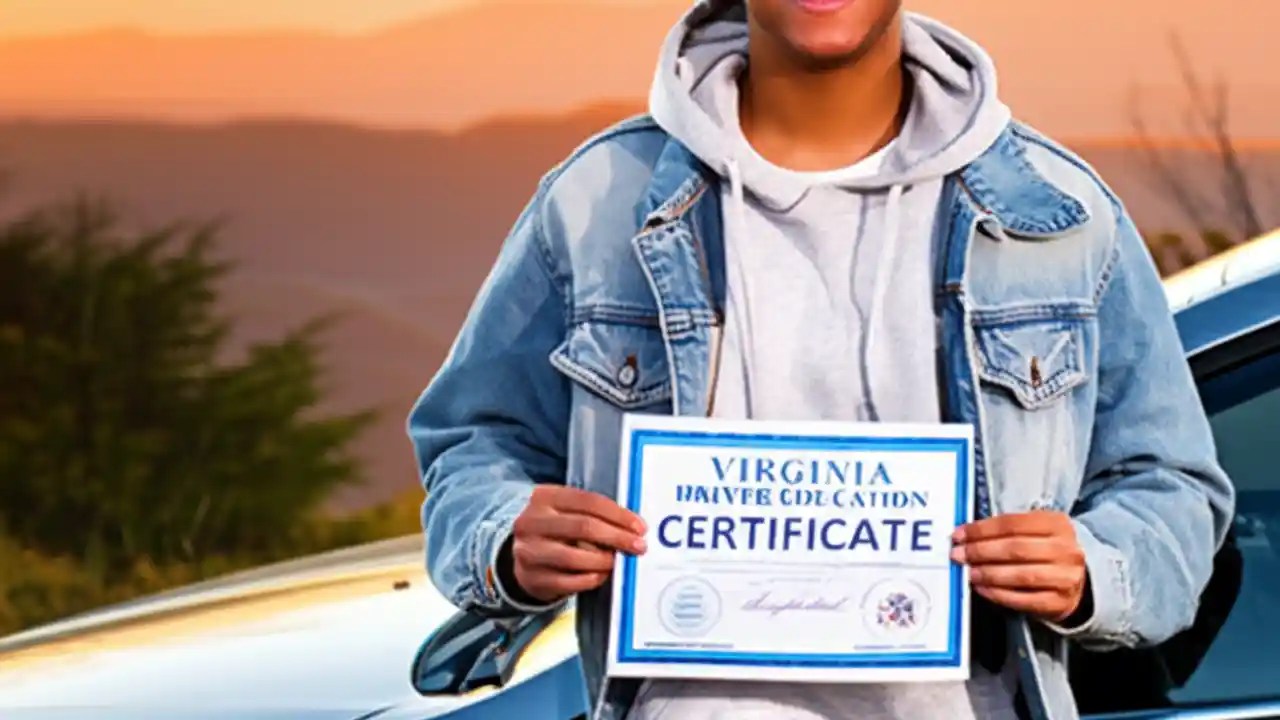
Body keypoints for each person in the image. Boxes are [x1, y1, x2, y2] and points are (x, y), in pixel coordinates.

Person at [407, 0, 1235, 718]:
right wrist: (506, 537)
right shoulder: (596, 203)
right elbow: (472, 445)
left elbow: (1175, 489)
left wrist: (1090, 568)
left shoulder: (1058, 216)